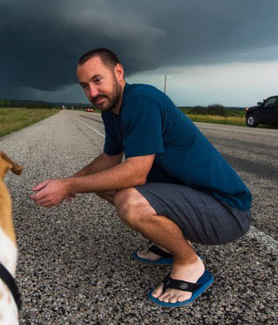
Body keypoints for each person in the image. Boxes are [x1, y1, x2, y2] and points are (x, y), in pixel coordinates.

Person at [30, 48, 251, 307]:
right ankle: (169, 244)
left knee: (128, 199)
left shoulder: (141, 100)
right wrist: (69, 184)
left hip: (226, 210)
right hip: (195, 198)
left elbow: (136, 171)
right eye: (84, 86)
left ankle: (190, 264)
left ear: (119, 72)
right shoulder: (112, 112)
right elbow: (109, 159)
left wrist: (68, 185)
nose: (92, 93)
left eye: (97, 80)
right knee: (103, 183)